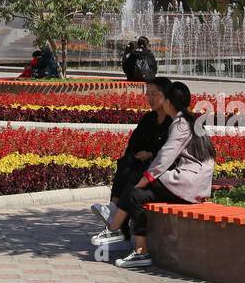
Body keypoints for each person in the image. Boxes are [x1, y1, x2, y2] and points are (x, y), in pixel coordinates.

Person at [92, 79, 215, 269]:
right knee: (135, 195)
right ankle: (142, 253)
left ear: (168, 102)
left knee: (137, 179)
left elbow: (166, 155)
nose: (151, 98)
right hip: (185, 184)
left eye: (158, 95)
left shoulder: (181, 124)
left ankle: (114, 227)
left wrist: (146, 178)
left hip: (188, 185)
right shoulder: (186, 120)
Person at [90, 80, 175, 238]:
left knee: (135, 179)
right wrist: (137, 155)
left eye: (154, 94)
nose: (150, 98)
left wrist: (151, 154)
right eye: (147, 94)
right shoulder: (148, 119)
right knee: (127, 162)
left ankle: (117, 223)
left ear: (167, 96)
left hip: (161, 173)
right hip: (142, 168)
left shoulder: (174, 123)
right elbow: (133, 145)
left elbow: (170, 152)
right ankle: (114, 208)